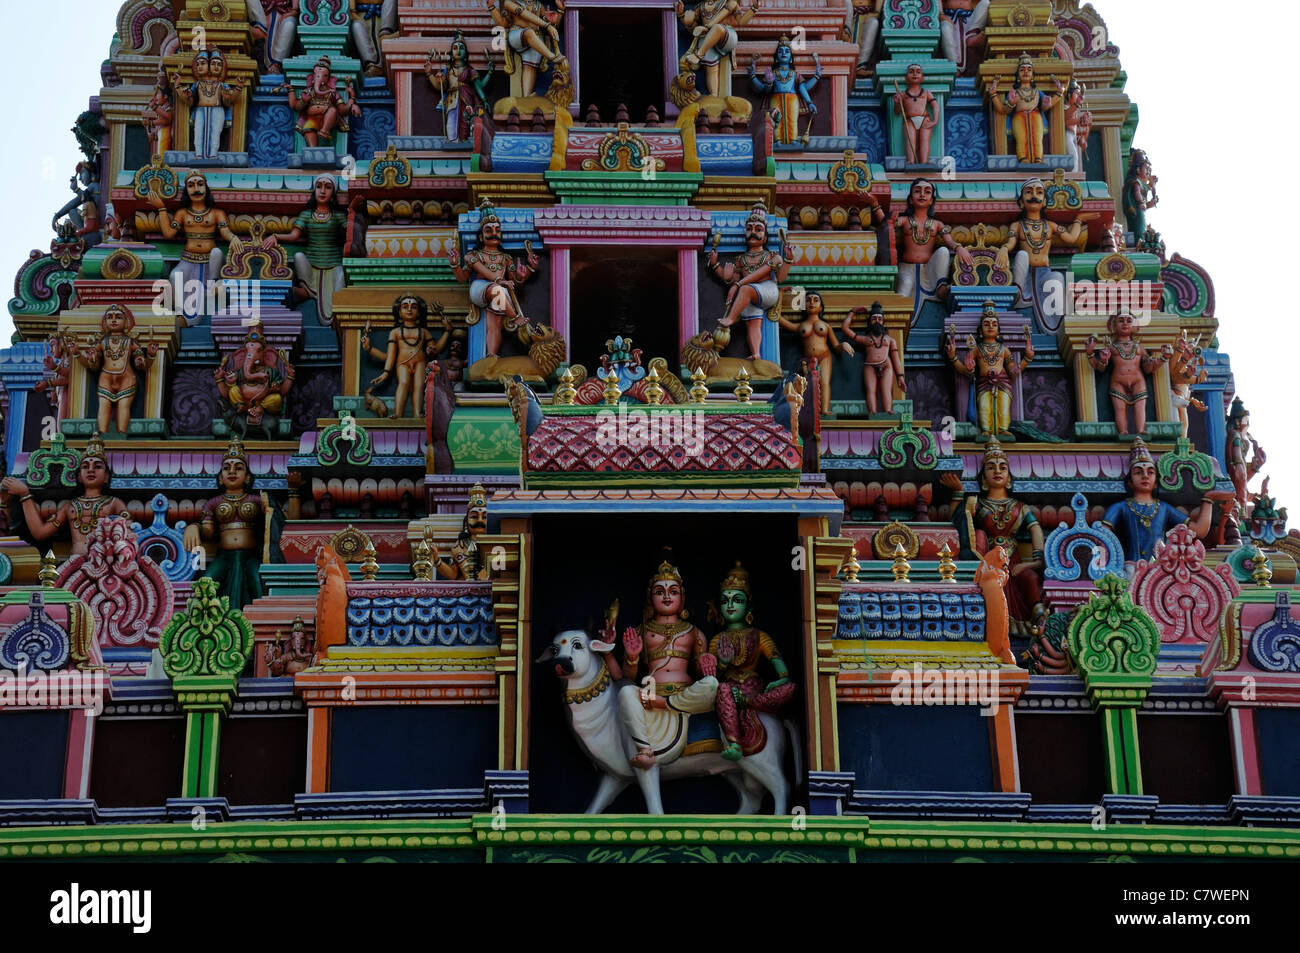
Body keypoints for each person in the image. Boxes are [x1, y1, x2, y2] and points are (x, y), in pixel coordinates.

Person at [611, 560, 718, 770]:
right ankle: (645, 750)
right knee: (625, 692)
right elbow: (627, 676)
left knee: (712, 684)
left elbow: (699, 675)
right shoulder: (641, 630)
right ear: (650, 598)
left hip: (682, 698)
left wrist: (706, 668)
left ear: (683, 597)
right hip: (650, 696)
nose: (667, 596)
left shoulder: (694, 632)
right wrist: (632, 656)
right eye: (660, 592)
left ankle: (665, 703)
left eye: (673, 591)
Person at [942, 439, 1046, 635]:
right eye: (991, 468)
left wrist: (1036, 561)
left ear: (1008, 477)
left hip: (1014, 561)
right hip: (988, 559)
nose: (997, 471)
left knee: (1030, 578)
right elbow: (958, 523)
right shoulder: (977, 503)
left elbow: (1036, 530)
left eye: (1002, 467)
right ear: (983, 478)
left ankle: (1039, 619)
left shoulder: (1020, 507)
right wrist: (958, 494)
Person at [707, 562, 795, 761]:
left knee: (791, 688)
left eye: (737, 600)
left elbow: (783, 672)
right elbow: (709, 679)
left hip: (754, 692)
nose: (730, 606)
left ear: (748, 605)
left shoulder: (759, 636)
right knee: (721, 689)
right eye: (725, 601)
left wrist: (779, 681)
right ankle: (735, 744)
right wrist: (722, 663)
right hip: (727, 693)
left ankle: (749, 702)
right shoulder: (716, 640)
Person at [2, 433, 128, 557]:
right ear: (78, 476)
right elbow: (40, 532)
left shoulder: (114, 503)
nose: (91, 469)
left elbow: (131, 532)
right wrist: (25, 495)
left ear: (106, 476)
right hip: (75, 564)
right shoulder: (71, 505)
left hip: (104, 563)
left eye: (98, 466)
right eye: (85, 466)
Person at [183, 437, 272, 610]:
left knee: (259, 585)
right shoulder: (214, 503)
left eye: (238, 468)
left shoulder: (257, 500)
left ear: (247, 478)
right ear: (220, 478)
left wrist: (293, 492)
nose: (232, 471)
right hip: (224, 557)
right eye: (226, 468)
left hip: (250, 557)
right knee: (206, 585)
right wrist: (194, 527)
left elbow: (275, 523)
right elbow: (208, 533)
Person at [1101, 438, 1218, 564]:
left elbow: (1199, 530)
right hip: (1131, 567)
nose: (1145, 476)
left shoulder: (1163, 508)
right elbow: (1102, 536)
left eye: (1150, 472)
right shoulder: (1121, 507)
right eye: (1138, 472)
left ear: (1156, 483)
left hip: (1161, 567)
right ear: (1129, 482)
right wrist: (1105, 563)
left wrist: (1208, 499)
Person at [447, 200, 540, 359]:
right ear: (481, 236)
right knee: (498, 290)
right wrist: (456, 265)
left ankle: (491, 356)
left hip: (499, 293)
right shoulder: (473, 256)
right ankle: (515, 318)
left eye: (497, 230)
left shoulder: (506, 258)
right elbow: (463, 278)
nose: (494, 233)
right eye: (488, 230)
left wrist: (528, 271)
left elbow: (514, 282)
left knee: (494, 324)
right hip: (480, 288)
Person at [146, 170, 237, 326]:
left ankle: (213, 281)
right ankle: (179, 314)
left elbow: (225, 231)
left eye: (200, 184)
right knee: (175, 276)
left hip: (210, 261)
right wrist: (161, 209)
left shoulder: (217, 212)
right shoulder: (182, 213)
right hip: (188, 260)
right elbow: (168, 233)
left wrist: (233, 238)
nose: (196, 188)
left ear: (206, 188)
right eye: (191, 185)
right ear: (186, 191)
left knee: (216, 252)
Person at [711, 203, 793, 362]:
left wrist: (788, 258)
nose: (753, 232)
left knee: (746, 289)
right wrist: (717, 267)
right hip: (749, 294)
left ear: (766, 236)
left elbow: (780, 278)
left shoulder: (772, 256)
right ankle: (756, 353)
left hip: (768, 290)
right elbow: (734, 279)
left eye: (758, 229)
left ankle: (730, 319)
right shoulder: (741, 259)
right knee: (753, 322)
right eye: (749, 229)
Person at [945, 301, 1032, 441]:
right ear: (980, 330)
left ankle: (1003, 430)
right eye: (986, 324)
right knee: (984, 407)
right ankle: (986, 430)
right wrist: (953, 357)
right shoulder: (977, 350)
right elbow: (966, 371)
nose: (990, 326)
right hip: (984, 384)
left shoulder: (1004, 350)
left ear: (999, 330)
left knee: (1003, 407)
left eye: (994, 324)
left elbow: (1013, 371)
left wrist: (1026, 358)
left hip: (1003, 383)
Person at [68, 304, 159, 436]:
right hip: (106, 378)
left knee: (124, 407)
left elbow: (142, 366)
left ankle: (121, 435)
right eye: (110, 317)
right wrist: (77, 353)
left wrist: (149, 356)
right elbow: (91, 365)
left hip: (126, 379)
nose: (114, 320)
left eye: (118, 317)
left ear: (126, 322)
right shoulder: (102, 342)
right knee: (103, 406)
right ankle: (101, 436)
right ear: (105, 322)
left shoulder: (130, 342)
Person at [893, 177, 972, 320]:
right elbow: (888, 225)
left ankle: (941, 287)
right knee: (903, 292)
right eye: (917, 191)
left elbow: (949, 241)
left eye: (927, 192)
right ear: (911, 199)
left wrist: (959, 248)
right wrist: (876, 207)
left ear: (931, 200)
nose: (922, 194)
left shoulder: (937, 224)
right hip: (906, 269)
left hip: (929, 270)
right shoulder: (905, 220)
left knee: (943, 251)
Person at [279, 174, 352, 325]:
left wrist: (353, 211)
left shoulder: (338, 216)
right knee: (299, 256)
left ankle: (331, 305)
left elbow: (350, 233)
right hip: (311, 266)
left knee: (341, 276)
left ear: (333, 193)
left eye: (328, 187)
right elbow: (293, 236)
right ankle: (306, 291)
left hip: (333, 264)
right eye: (319, 187)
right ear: (314, 191)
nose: (323, 191)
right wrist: (274, 236)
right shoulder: (306, 215)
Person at [362, 295, 452, 418]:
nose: (409, 309)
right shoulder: (395, 332)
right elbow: (390, 356)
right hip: (402, 364)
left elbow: (436, 349)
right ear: (399, 312)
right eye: (405, 307)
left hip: (420, 362)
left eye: (413, 307)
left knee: (419, 385)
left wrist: (447, 331)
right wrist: (371, 351)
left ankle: (417, 413)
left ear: (419, 312)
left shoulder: (423, 332)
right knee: (403, 383)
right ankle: (398, 413)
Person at [1086, 310, 1170, 438]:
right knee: (1120, 409)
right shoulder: (1111, 347)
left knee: (1140, 407)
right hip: (1118, 381)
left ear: (1134, 325)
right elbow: (1099, 368)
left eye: (1129, 321)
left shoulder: (1138, 347)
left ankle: (1141, 430)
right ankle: (1123, 432)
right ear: (1114, 325)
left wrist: (1163, 358)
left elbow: (1148, 367)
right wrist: (1092, 354)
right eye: (1121, 321)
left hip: (1138, 380)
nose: (1125, 324)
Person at [777, 290, 852, 415]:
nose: (812, 302)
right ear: (804, 306)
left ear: (821, 306)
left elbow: (835, 345)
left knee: (824, 382)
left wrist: (843, 344)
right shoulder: (801, 325)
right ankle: (806, 410)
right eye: (808, 300)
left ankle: (824, 409)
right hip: (807, 359)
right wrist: (780, 293)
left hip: (824, 356)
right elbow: (777, 317)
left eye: (815, 300)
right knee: (806, 385)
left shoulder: (826, 326)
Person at [988, 53, 1061, 165]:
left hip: (1035, 115)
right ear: (1017, 75)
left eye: (1029, 69)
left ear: (1033, 76)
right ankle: (1023, 159)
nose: (1026, 72)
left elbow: (1047, 105)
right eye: (1022, 70)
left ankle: (1038, 159)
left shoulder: (1037, 92)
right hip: (1019, 116)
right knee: (1021, 138)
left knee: (1037, 138)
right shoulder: (1015, 92)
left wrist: (1059, 94)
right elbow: (1003, 110)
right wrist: (997, 96)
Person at [173, 48, 243, 159]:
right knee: (198, 132)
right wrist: (178, 86)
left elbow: (228, 100)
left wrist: (238, 87)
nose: (215, 67)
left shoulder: (221, 85)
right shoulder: (197, 84)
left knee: (215, 133)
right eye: (198, 64)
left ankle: (213, 156)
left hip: (217, 110)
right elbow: (189, 100)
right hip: (200, 110)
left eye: (218, 64)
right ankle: (199, 155)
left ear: (223, 68)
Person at [749, 37, 820, 145]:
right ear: (776, 57)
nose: (784, 53)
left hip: (792, 99)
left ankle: (793, 140)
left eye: (787, 51)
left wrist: (816, 77)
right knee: (776, 120)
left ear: (791, 58)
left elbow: (803, 88)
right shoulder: (772, 73)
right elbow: (764, 89)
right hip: (775, 97)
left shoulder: (794, 74)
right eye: (780, 51)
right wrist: (754, 76)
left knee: (792, 120)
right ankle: (777, 140)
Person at [426, 31, 494, 142]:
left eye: (461, 48)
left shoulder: (469, 70)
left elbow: (479, 86)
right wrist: (429, 73)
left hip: (467, 98)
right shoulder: (448, 70)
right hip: (452, 99)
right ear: (451, 53)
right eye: (455, 48)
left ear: (466, 53)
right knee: (451, 122)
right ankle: (452, 141)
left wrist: (490, 74)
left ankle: (464, 141)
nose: (458, 50)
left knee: (465, 121)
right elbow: (440, 86)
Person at [841, 302, 905, 415]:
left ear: (883, 322)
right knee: (871, 390)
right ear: (870, 321)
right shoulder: (865, 339)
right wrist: (852, 312)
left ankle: (888, 411)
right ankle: (872, 412)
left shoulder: (890, 340)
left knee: (886, 390)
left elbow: (896, 358)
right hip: (870, 365)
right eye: (874, 318)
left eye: (880, 319)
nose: (877, 321)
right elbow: (845, 328)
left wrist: (900, 376)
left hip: (886, 366)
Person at [892, 64, 938, 164]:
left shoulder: (926, 93)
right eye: (911, 71)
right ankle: (911, 160)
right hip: (909, 120)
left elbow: (935, 106)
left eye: (918, 72)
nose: (915, 74)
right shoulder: (903, 94)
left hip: (924, 119)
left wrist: (935, 121)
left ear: (922, 77)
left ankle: (924, 161)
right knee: (910, 140)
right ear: (906, 77)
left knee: (924, 140)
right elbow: (897, 112)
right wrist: (898, 102)